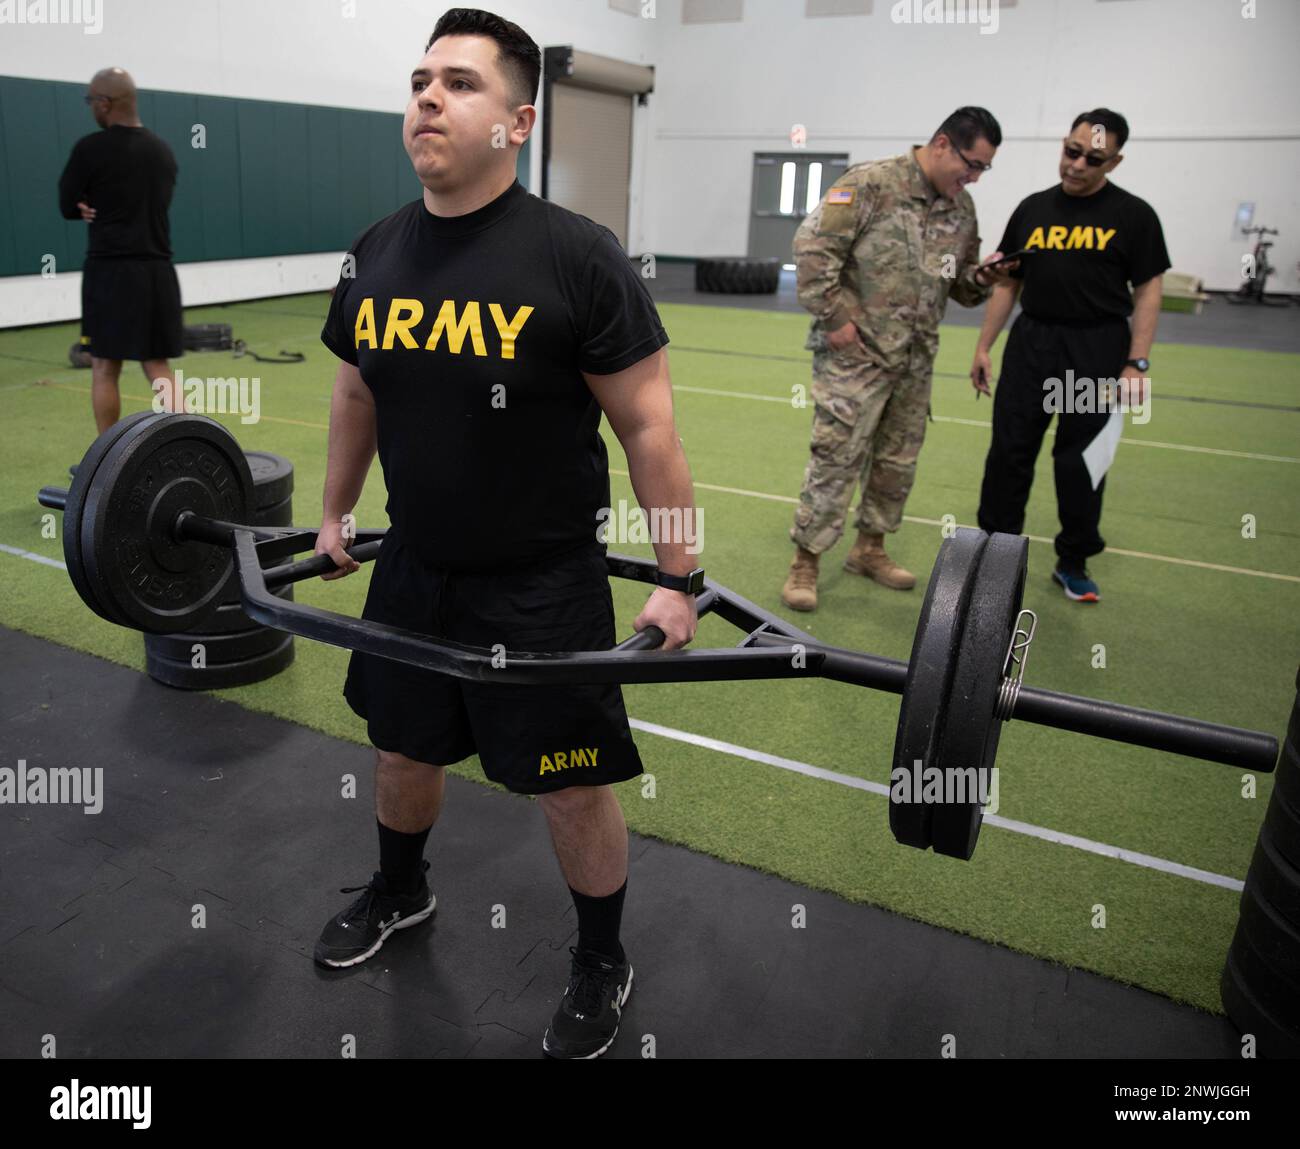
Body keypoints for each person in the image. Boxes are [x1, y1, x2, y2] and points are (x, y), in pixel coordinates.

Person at [314, 8, 699, 1060]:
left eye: (460, 84)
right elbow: (354, 395)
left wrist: (681, 578)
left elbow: (649, 427)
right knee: (401, 745)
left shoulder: (578, 258)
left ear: (518, 121)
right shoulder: (375, 250)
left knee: (571, 785)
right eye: (419, 80)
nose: (428, 98)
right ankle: (402, 892)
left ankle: (600, 957)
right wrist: (338, 511)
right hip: (415, 566)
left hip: (542, 584)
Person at [783, 107, 1014, 612]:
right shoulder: (870, 183)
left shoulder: (961, 208)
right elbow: (812, 248)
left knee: (896, 462)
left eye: (983, 169)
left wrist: (986, 277)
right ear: (942, 144)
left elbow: (962, 284)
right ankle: (806, 561)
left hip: (914, 359)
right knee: (836, 457)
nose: (974, 177)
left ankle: (870, 548)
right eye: (971, 164)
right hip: (856, 356)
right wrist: (837, 319)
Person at [972, 109, 1170, 603]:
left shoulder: (1134, 216)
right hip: (1033, 343)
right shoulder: (1033, 209)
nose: (1077, 165)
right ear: (1064, 144)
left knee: (1079, 461)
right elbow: (1008, 281)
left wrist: (1136, 361)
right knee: (1009, 453)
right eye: (1071, 151)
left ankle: (1073, 560)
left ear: (1115, 161)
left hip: (1096, 348)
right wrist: (983, 346)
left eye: (1093, 158)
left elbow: (1148, 290)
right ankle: (995, 555)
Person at [58, 67, 182, 433]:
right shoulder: (163, 152)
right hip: (157, 272)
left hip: (110, 271)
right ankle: (187, 446)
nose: (90, 108)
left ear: (104, 102)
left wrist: (81, 205)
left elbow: (67, 204)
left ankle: (105, 464)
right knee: (157, 366)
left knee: (104, 367)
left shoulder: (90, 149)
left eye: (91, 101)